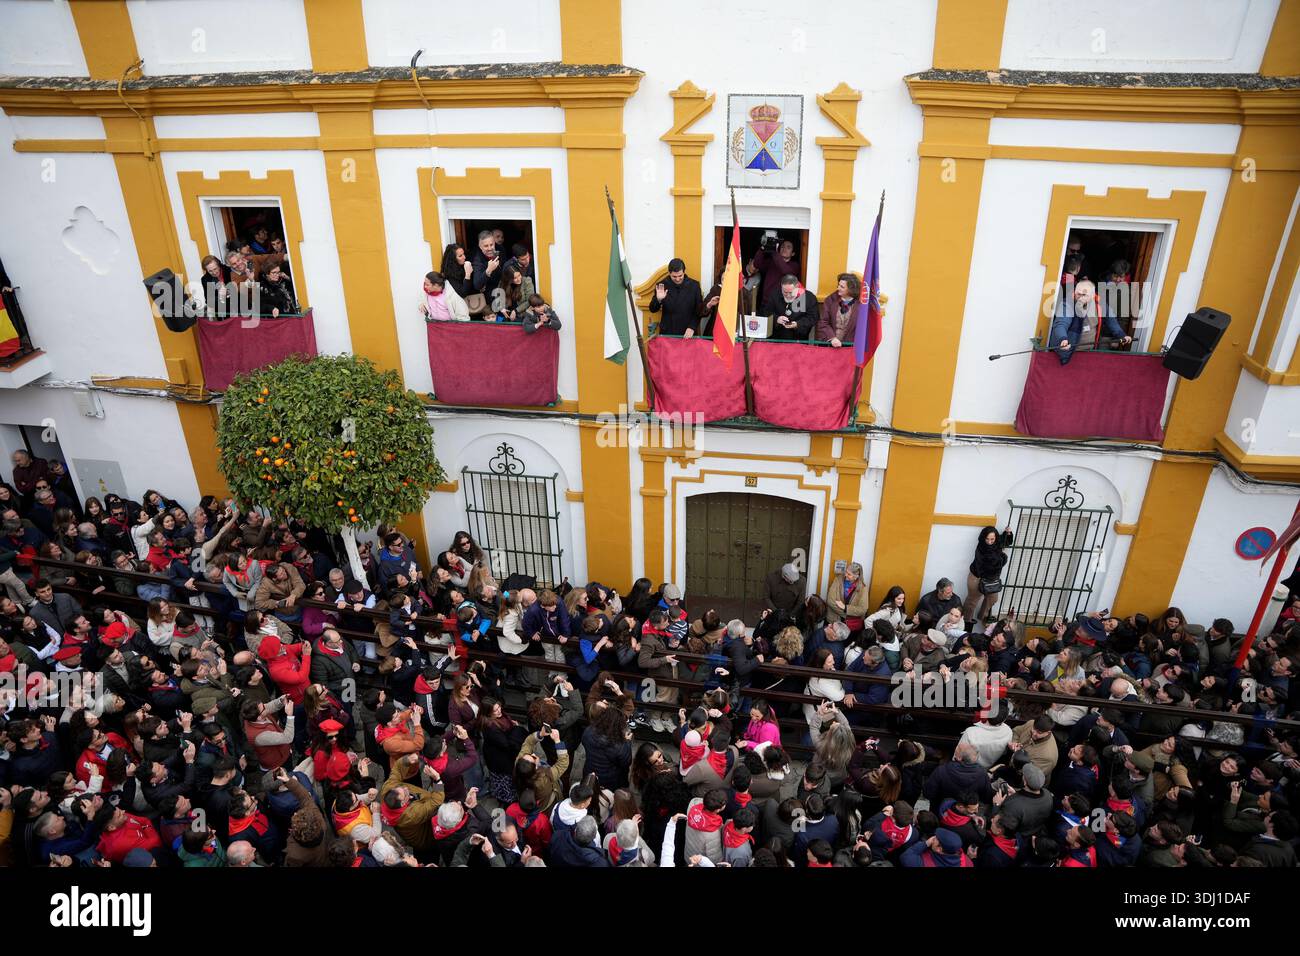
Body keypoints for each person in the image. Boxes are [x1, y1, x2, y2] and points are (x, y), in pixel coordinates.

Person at [963, 525, 1013, 626]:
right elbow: (993, 564)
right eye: (987, 539)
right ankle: (966, 623)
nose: (989, 542)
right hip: (976, 578)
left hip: (990, 579)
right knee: (972, 601)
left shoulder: (996, 543)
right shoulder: (982, 547)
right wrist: (1003, 557)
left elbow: (1005, 542)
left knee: (993, 598)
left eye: (992, 539)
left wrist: (1008, 534)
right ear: (983, 538)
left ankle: (982, 617)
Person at [648, 258, 705, 337]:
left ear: (684, 272)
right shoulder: (662, 285)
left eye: (680, 276)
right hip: (668, 333)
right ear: (669, 273)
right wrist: (658, 299)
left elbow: (699, 310)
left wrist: (692, 327)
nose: (678, 279)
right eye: (674, 276)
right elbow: (652, 309)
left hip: (687, 333)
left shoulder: (694, 286)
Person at [762, 273, 817, 341]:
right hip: (777, 338)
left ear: (797, 287)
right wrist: (776, 319)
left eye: (791, 292)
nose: (788, 295)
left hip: (799, 339)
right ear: (781, 287)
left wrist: (798, 324)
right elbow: (766, 312)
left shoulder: (809, 297)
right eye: (785, 292)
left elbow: (813, 317)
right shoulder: (774, 294)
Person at [748, 238, 801, 306]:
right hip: (766, 302)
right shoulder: (772, 262)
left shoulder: (795, 265)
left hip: (782, 304)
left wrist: (774, 252)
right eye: (782, 246)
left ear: (793, 253)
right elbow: (757, 264)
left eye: (788, 247)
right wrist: (762, 249)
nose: (784, 248)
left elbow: (784, 270)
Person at [816, 274, 861, 347]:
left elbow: (862, 328)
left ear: (851, 289)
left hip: (849, 347)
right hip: (830, 346)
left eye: (842, 287)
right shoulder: (830, 300)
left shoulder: (861, 305)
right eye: (838, 285)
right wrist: (832, 338)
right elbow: (823, 322)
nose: (838, 288)